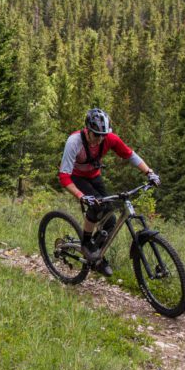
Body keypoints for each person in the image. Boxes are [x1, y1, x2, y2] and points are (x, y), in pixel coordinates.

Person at [58, 107, 160, 274]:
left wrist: (149, 172)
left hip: (94, 175)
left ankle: (97, 257)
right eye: (96, 135)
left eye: (102, 136)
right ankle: (86, 243)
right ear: (87, 130)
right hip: (76, 177)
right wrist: (81, 196)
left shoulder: (109, 139)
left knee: (110, 217)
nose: (99, 139)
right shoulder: (74, 142)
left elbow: (129, 155)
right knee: (96, 206)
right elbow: (64, 177)